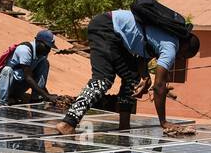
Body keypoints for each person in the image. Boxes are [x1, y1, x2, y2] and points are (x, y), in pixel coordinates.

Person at [53, 9, 187, 134]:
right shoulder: (171, 47)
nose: (179, 58)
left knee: (132, 78)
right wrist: (163, 122)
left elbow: (142, 57)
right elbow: (159, 86)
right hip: (107, 28)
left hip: (112, 30)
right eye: (182, 56)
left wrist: (145, 78)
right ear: (185, 49)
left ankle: (124, 126)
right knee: (103, 79)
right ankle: (68, 123)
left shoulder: (165, 37)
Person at [0, 29, 55, 105]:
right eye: (47, 46)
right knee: (7, 70)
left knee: (45, 63)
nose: (48, 50)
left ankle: (36, 98)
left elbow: (39, 76)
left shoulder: (43, 53)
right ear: (38, 42)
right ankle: (2, 101)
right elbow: (28, 77)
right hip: (9, 85)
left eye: (50, 47)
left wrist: (47, 94)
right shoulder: (24, 50)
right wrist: (46, 95)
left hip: (22, 85)